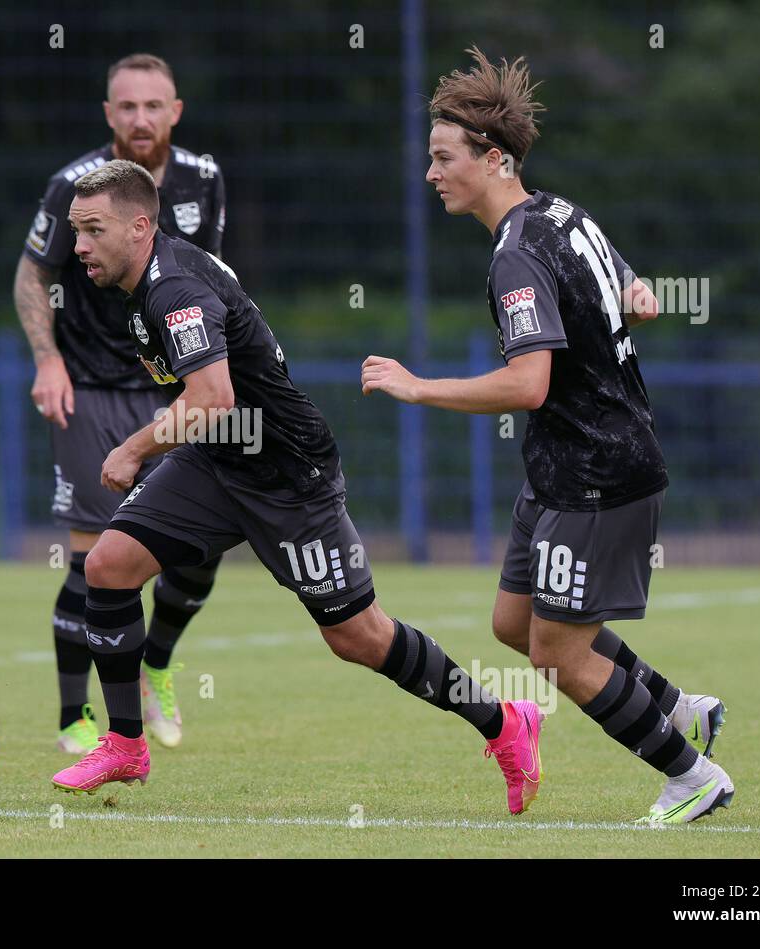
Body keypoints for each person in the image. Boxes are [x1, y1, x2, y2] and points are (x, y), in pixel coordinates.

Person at [49, 159, 543, 815]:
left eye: (92, 229)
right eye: (75, 230)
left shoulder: (174, 290)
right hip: (218, 463)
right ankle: (124, 742)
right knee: (108, 565)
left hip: (288, 476)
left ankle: (505, 722)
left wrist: (133, 448)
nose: (78, 245)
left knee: (358, 637)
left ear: (140, 226)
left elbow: (215, 396)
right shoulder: (151, 281)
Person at [361, 48, 732, 824]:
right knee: (514, 622)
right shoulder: (562, 212)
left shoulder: (517, 253)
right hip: (564, 467)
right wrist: (628, 297)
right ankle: (679, 706)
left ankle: (690, 773)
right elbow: (640, 297)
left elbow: (528, 383)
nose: (431, 174)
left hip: (597, 472)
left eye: (442, 157)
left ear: (493, 159)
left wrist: (418, 385)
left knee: (556, 654)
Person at [14, 53, 226, 752]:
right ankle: (76, 715)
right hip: (93, 391)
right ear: (109, 115)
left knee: (197, 552)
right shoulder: (71, 186)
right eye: (126, 107)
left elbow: (210, 281)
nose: (140, 118)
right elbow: (31, 273)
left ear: (175, 112)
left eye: (153, 106)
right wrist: (48, 360)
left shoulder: (204, 180)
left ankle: (156, 662)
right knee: (92, 559)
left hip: (175, 392)